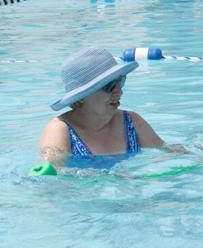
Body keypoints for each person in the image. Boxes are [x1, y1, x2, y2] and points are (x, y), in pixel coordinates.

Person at [38, 46, 166, 169]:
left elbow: (166, 153)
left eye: (120, 82)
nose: (119, 92)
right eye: (109, 86)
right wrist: (110, 178)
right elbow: (52, 171)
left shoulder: (131, 122)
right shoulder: (60, 129)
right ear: (81, 97)